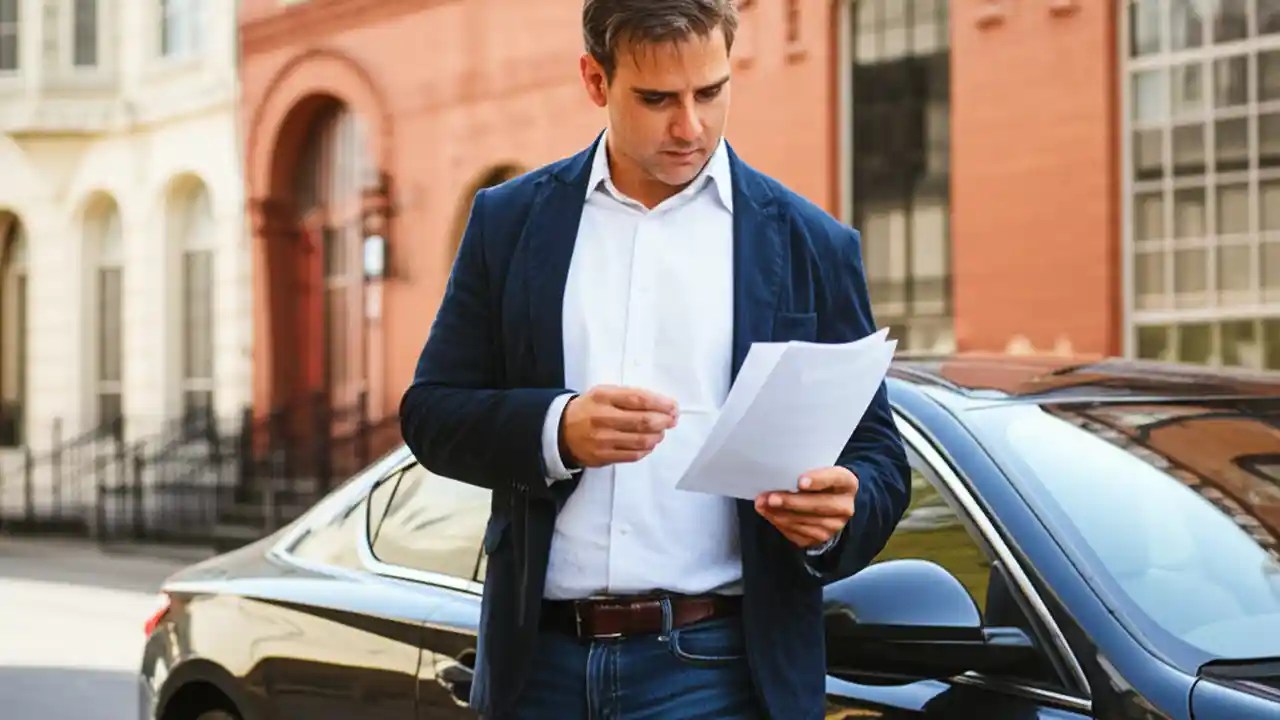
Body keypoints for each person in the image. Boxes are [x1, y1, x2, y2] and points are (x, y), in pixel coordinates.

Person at [399, 1, 911, 717]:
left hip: (721, 670)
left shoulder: (810, 244)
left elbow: (880, 456)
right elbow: (430, 413)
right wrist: (558, 430)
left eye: (711, 91)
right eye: (657, 99)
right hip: (537, 667)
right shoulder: (509, 223)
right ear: (594, 79)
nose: (690, 125)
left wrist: (841, 509)